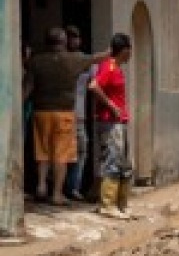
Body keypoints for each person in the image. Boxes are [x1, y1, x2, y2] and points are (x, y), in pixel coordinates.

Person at [26, 28, 108, 205]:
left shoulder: (36, 61)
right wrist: (112, 50)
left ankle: (41, 187)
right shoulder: (74, 59)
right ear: (64, 43)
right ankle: (57, 194)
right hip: (64, 113)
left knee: (42, 152)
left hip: (41, 112)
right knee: (61, 155)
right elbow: (96, 58)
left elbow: (27, 88)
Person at [90, 34, 134, 219]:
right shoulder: (108, 67)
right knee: (113, 162)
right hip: (110, 122)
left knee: (123, 163)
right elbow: (94, 86)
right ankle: (108, 204)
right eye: (130, 49)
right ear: (125, 50)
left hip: (119, 122)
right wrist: (111, 106)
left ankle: (121, 204)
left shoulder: (116, 68)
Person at [64, 26, 94, 201]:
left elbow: (94, 83)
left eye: (76, 37)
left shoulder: (86, 61)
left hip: (79, 114)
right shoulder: (61, 60)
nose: (74, 40)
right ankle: (63, 187)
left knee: (81, 150)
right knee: (62, 152)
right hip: (63, 111)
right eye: (70, 37)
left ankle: (73, 186)